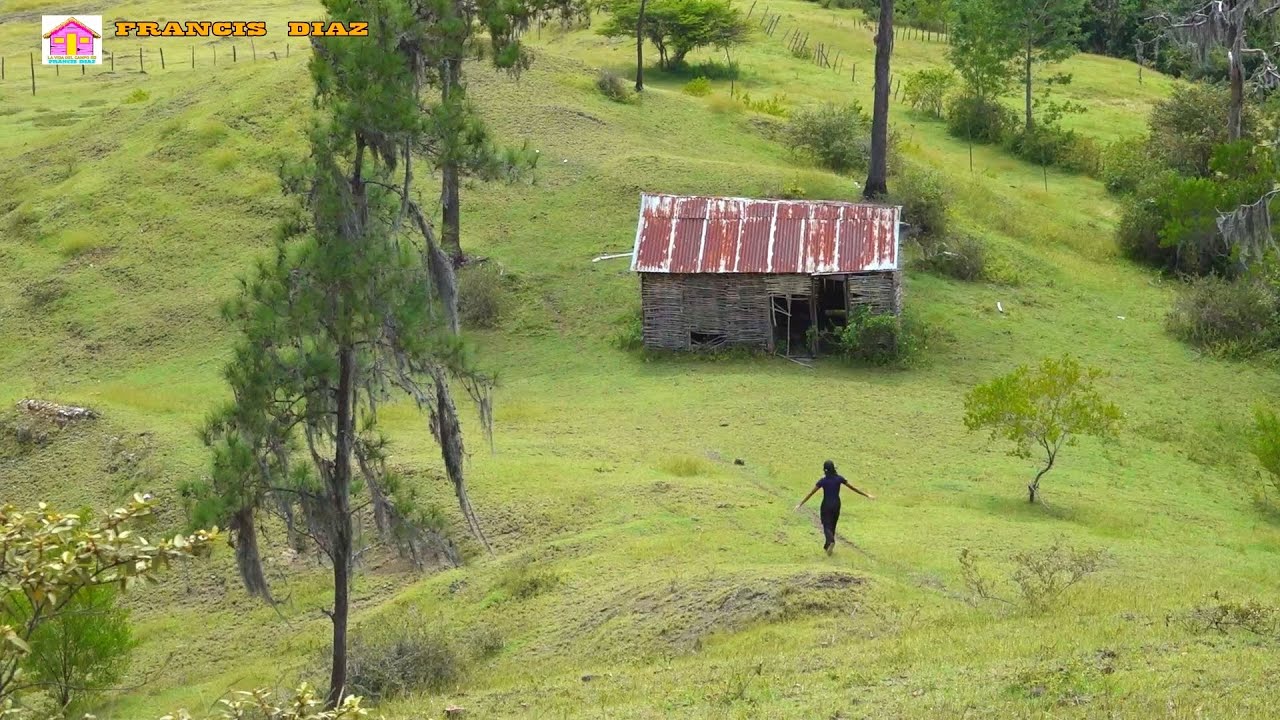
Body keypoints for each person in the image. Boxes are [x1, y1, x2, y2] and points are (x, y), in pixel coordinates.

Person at [795, 460, 874, 555]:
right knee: (832, 524)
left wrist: (801, 503)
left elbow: (811, 493)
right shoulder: (839, 478)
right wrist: (866, 495)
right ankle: (827, 545)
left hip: (826, 504)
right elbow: (853, 488)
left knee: (826, 524)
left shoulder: (823, 481)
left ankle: (831, 541)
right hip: (836, 504)